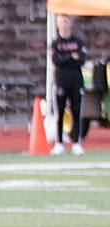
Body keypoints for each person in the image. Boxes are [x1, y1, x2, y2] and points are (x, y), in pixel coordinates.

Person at [51, 14, 86, 156]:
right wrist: (70, 56)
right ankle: (59, 143)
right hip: (61, 81)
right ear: (58, 24)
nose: (64, 24)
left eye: (66, 21)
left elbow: (81, 60)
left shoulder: (78, 42)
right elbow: (56, 60)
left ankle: (76, 143)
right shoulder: (55, 43)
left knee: (76, 111)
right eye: (61, 21)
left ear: (70, 23)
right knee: (59, 112)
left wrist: (65, 58)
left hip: (76, 81)